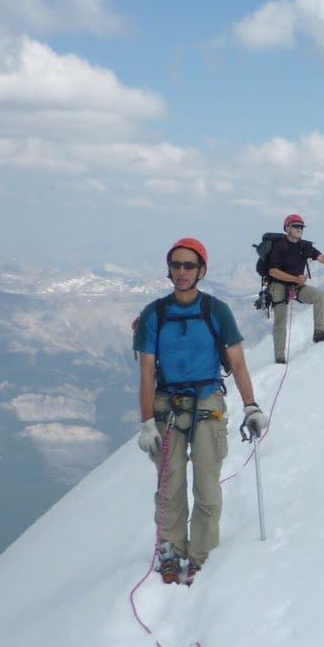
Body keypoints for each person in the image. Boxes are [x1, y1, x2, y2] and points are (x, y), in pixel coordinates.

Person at [133, 237, 268, 585]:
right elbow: (146, 373)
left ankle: (200, 553)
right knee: (170, 484)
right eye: (176, 265)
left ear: (201, 270)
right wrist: (147, 422)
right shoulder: (154, 314)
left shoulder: (216, 310)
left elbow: (237, 363)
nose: (181, 271)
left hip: (207, 401)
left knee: (207, 484)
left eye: (188, 265)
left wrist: (251, 405)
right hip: (167, 406)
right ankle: (170, 550)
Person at [264, 213, 324, 364]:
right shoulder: (280, 246)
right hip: (278, 286)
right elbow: (273, 271)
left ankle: (319, 333)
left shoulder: (305, 246)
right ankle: (280, 357)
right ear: (287, 228)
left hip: (296, 285)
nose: (299, 229)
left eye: (301, 226)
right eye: (296, 226)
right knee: (281, 321)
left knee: (319, 296)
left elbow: (322, 258)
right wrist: (295, 279)